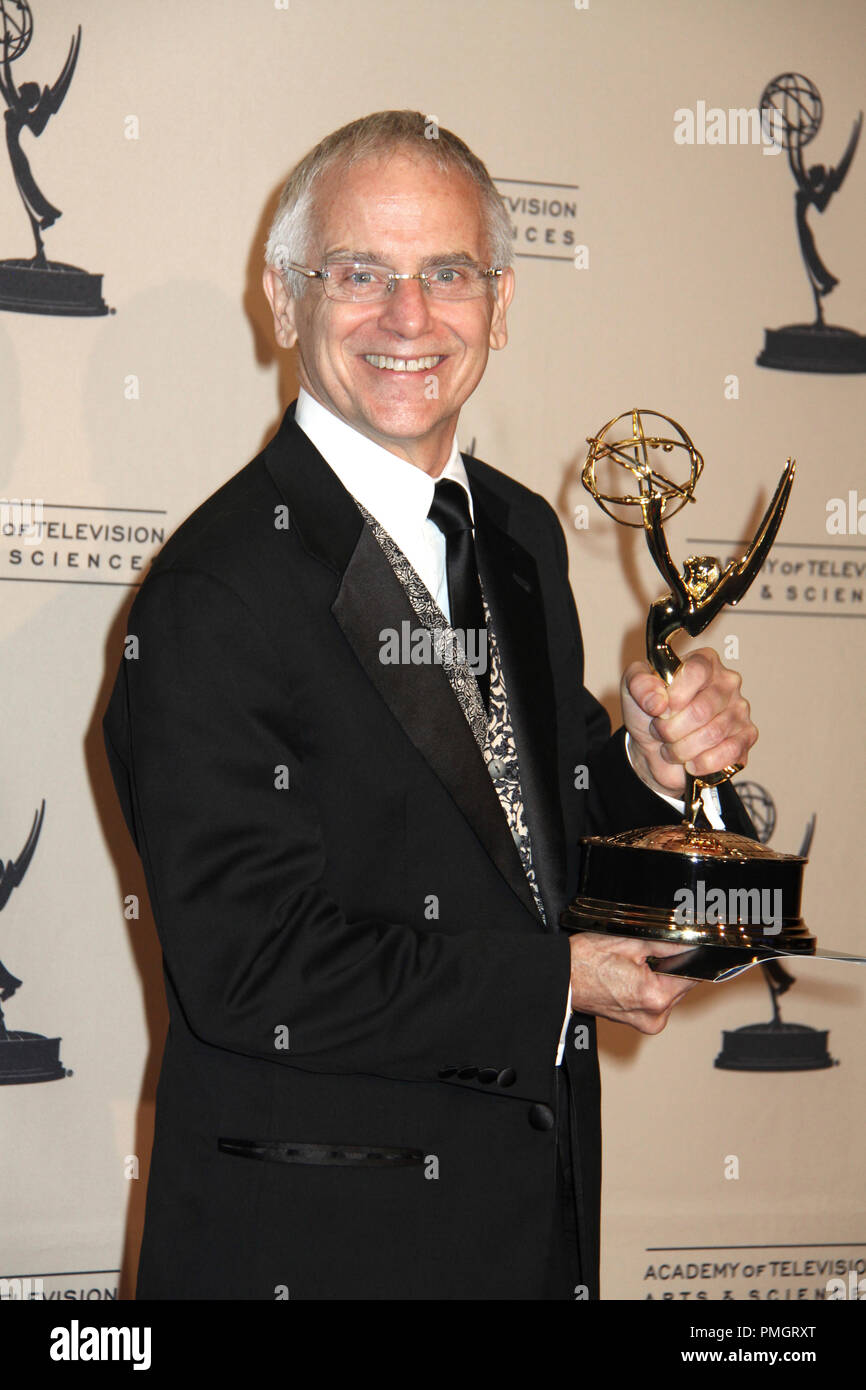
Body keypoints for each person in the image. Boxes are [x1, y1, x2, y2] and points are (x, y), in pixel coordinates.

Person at [102, 111, 757, 1301]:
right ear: (282, 296)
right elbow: (251, 967)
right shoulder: (215, 590)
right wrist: (558, 983)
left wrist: (654, 775)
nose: (409, 317)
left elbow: (531, 845)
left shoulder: (517, 534)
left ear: (498, 306)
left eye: (446, 273)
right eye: (359, 272)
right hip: (315, 1252)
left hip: (526, 1240)